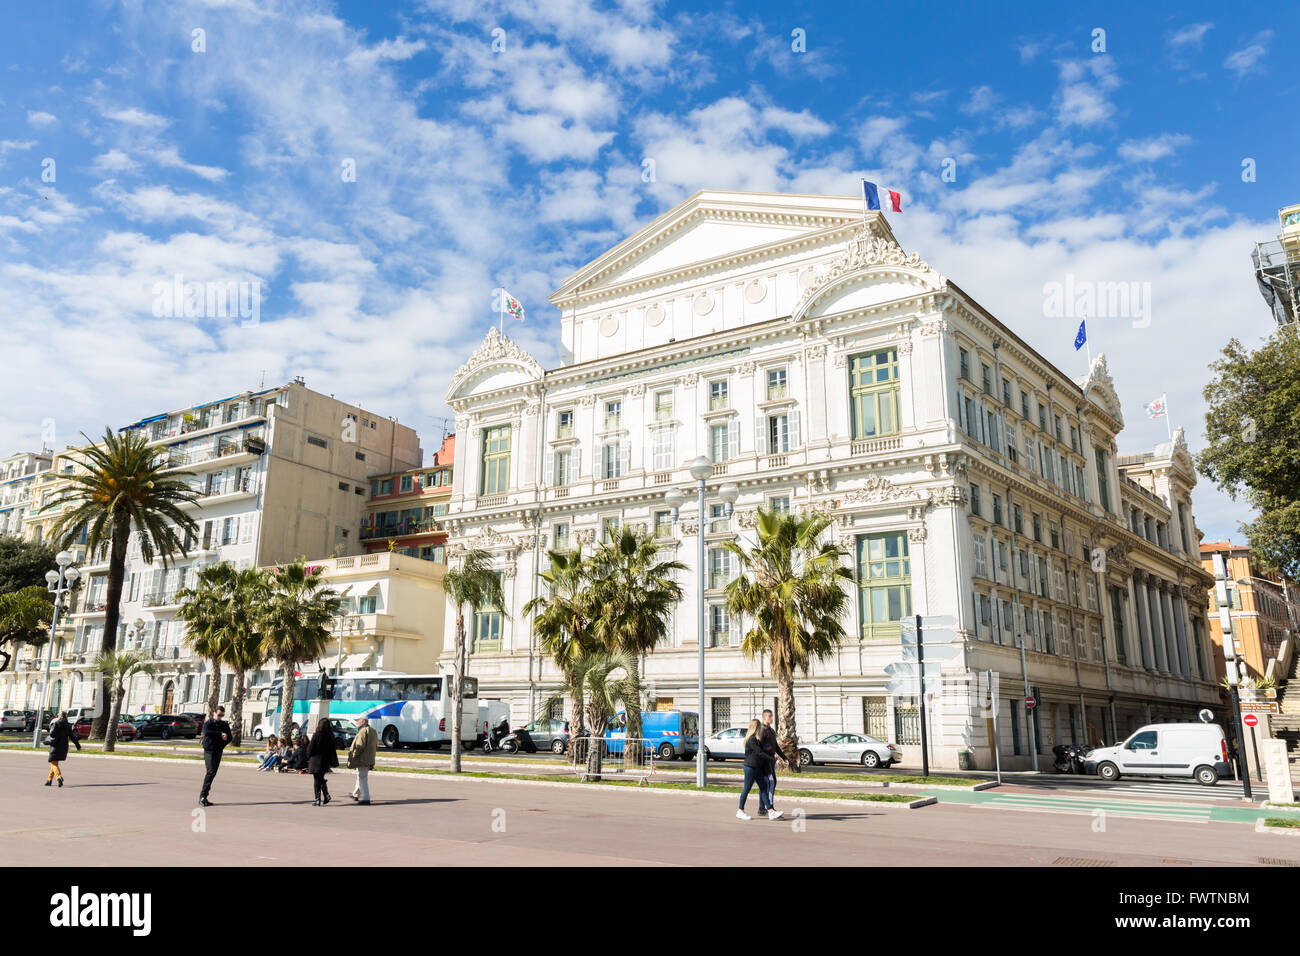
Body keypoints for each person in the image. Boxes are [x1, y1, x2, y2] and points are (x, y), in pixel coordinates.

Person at [737, 719, 771, 820]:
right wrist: (772, 759)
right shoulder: (751, 740)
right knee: (747, 789)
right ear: (756, 728)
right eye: (760, 727)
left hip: (756, 767)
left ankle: (771, 810)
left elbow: (765, 749)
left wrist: (771, 750)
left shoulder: (756, 740)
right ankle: (740, 810)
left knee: (763, 787)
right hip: (750, 767)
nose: (761, 729)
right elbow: (759, 752)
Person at [199, 705, 232, 807]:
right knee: (211, 771)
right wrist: (220, 734)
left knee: (213, 773)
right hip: (209, 751)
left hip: (218, 750)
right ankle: (202, 796)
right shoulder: (208, 723)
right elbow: (206, 732)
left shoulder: (224, 724)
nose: (220, 717)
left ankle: (204, 797)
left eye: (222, 715)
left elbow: (229, 737)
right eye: (219, 715)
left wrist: (224, 742)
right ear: (214, 713)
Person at [757, 709, 787, 820]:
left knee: (765, 785)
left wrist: (784, 757)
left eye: (771, 716)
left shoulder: (771, 730)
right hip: (765, 762)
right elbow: (762, 746)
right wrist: (770, 753)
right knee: (771, 783)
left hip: (770, 761)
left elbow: (775, 746)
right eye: (769, 716)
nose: (771, 718)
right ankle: (771, 809)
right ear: (764, 717)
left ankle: (762, 808)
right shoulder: (761, 730)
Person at [307, 717, 338, 806]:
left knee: (317, 780)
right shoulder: (331, 736)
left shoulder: (317, 735)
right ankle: (326, 795)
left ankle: (318, 799)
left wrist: (308, 756)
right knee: (320, 778)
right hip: (325, 761)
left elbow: (311, 748)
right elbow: (333, 749)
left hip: (316, 760)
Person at [45, 711, 81, 787]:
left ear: (60, 716)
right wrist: (78, 745)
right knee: (54, 763)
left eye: (58, 715)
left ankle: (59, 777)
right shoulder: (68, 725)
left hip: (56, 746)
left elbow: (52, 734)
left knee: (53, 762)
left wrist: (52, 728)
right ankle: (49, 780)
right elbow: (72, 736)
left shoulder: (57, 723)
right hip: (64, 746)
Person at [348, 717, 377, 805]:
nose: (356, 723)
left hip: (362, 758)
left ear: (363, 721)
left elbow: (359, 745)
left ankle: (366, 798)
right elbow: (376, 745)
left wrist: (354, 756)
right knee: (361, 776)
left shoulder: (362, 731)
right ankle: (355, 794)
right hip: (369, 758)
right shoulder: (373, 731)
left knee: (362, 778)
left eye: (358, 721)